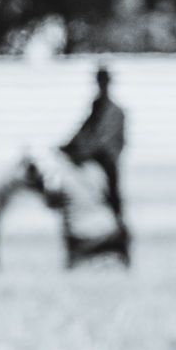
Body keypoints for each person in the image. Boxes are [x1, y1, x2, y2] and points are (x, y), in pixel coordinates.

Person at [61, 65, 128, 238]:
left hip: (106, 161)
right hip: (92, 157)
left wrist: (86, 152)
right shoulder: (96, 106)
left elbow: (106, 141)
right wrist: (68, 147)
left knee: (112, 199)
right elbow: (84, 131)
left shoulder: (115, 111)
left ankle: (119, 233)